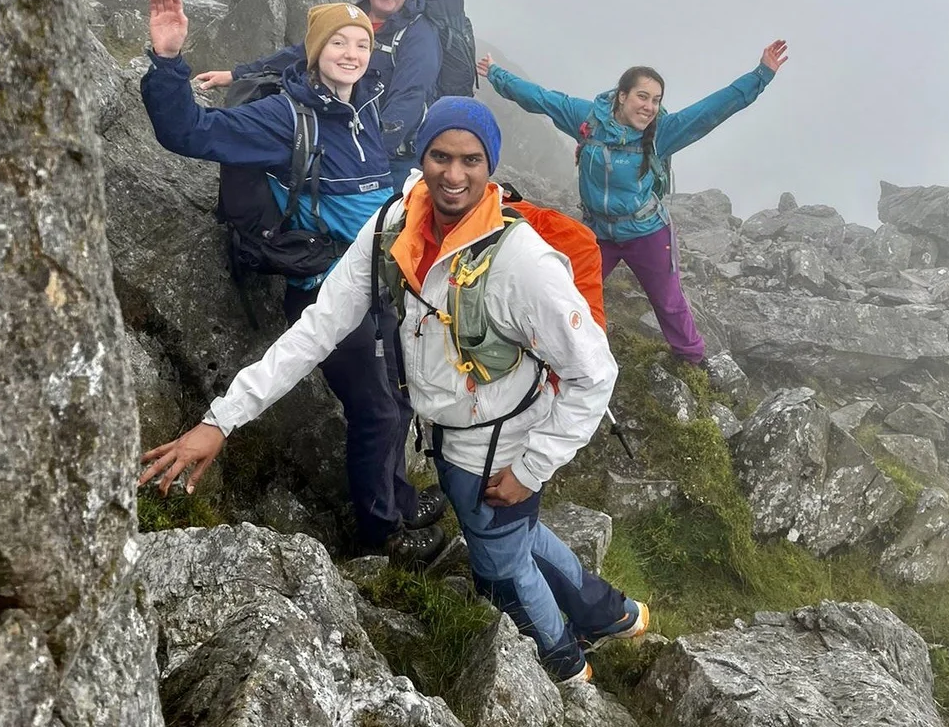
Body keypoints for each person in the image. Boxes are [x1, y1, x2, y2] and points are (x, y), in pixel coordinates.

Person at [138, 95, 649, 683]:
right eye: (440, 156)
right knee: (516, 535)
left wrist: (532, 468)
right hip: (466, 431)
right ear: (423, 157)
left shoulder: (523, 263)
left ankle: (564, 665)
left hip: (499, 443)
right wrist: (221, 420)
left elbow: (595, 371)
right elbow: (318, 328)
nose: (453, 175)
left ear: (491, 167)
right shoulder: (393, 226)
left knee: (500, 563)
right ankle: (613, 614)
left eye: (470, 160)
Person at [140, 0, 447, 565]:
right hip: (323, 289)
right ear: (315, 51)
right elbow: (189, 134)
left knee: (401, 398)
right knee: (376, 410)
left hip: (381, 280)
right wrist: (168, 62)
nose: (351, 52)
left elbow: (386, 186)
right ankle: (382, 535)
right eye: (338, 41)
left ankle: (401, 499)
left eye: (361, 42)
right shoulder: (286, 117)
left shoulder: (368, 111)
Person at [477, 41, 788, 368]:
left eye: (656, 100)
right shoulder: (588, 121)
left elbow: (714, 109)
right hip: (599, 232)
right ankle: (558, 352)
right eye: (642, 96)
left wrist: (761, 75)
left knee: (668, 303)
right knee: (568, 289)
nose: (650, 107)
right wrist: (496, 73)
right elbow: (539, 98)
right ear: (621, 96)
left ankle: (692, 361)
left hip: (646, 233)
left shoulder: (661, 133)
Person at [195, 0, 442, 192]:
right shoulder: (351, 17)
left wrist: (370, 157)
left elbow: (408, 98)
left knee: (381, 228)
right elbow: (304, 52)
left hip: (390, 160)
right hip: (341, 143)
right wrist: (238, 74)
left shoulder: (420, 36)